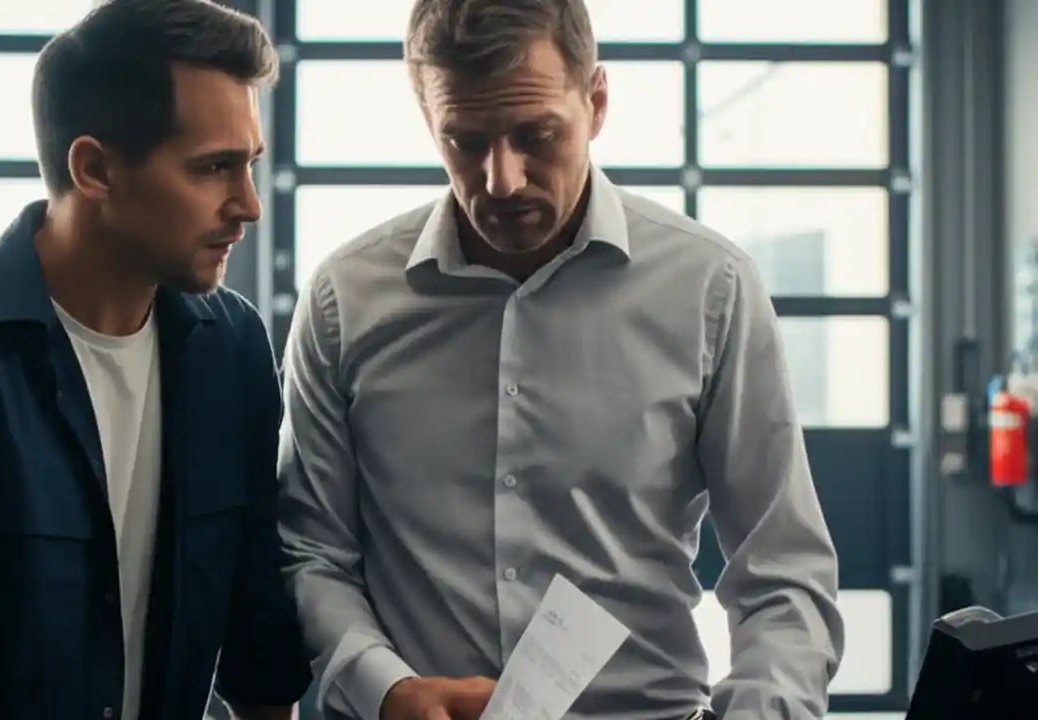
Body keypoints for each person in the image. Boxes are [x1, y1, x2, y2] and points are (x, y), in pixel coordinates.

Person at [277, 1, 845, 719]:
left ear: (597, 101)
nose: (502, 180)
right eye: (466, 141)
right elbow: (312, 553)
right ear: (429, 120)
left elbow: (783, 569)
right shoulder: (344, 300)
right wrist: (385, 687)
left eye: (535, 135)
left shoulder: (711, 289)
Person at [0, 1, 311, 718]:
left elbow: (255, 626)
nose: (249, 205)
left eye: (250, 166)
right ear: (96, 169)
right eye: (213, 169)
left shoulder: (231, 348)